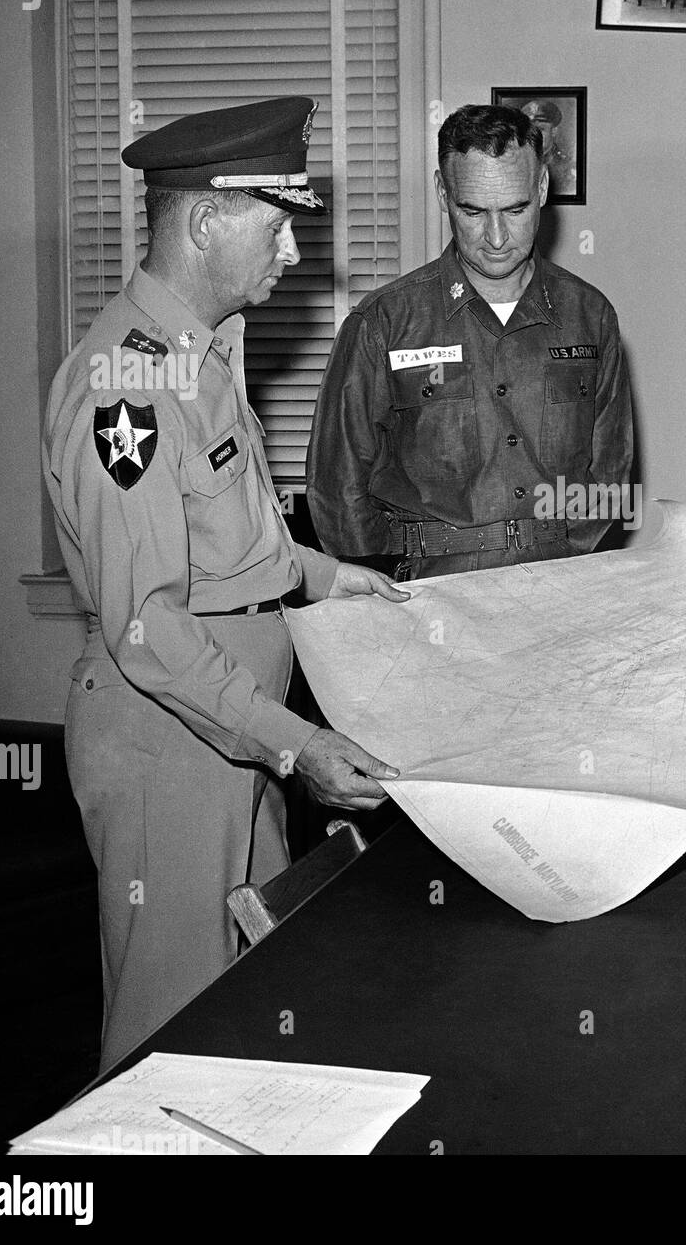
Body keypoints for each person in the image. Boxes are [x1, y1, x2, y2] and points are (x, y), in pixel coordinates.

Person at [42, 97, 410, 1071]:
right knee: (172, 1030)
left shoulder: (197, 361)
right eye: (278, 222)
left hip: (232, 730)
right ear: (206, 219)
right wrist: (297, 748)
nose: (293, 250)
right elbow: (147, 627)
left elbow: (233, 548)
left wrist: (331, 579)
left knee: (252, 989)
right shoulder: (130, 383)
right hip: (173, 736)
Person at [307, 103, 633, 580]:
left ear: (542, 187)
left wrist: (568, 565)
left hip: (561, 589)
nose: (497, 237)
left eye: (516, 209)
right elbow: (337, 487)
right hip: (427, 591)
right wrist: (383, 585)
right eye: (473, 211)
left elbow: (610, 475)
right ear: (443, 193)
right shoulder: (384, 323)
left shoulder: (590, 317)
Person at [519, 98, 576, 197]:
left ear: (554, 131)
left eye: (541, 129)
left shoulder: (568, 168)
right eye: (529, 130)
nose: (534, 135)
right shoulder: (514, 163)